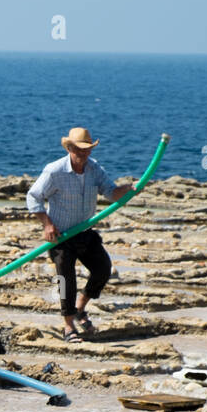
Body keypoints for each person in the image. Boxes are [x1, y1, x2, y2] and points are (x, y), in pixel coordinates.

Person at [26, 126, 132, 342]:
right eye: (79, 149)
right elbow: (33, 197)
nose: (83, 154)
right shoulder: (54, 171)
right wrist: (47, 224)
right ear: (69, 148)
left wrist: (130, 188)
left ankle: (80, 308)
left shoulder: (94, 169)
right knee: (66, 281)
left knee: (102, 269)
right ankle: (68, 327)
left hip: (84, 232)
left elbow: (111, 193)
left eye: (87, 149)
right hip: (62, 237)